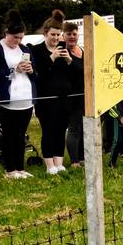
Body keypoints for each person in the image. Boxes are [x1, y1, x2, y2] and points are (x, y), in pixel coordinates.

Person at [0, 10, 36, 179]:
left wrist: (31, 70)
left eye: (20, 38)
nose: (17, 41)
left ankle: (20, 167)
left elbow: (35, 74)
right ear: (6, 33)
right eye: (15, 37)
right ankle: (10, 170)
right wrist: (13, 70)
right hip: (8, 101)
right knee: (9, 136)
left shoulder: (25, 49)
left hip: (25, 100)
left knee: (20, 136)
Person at [29, 11, 73, 175]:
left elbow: (70, 74)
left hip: (63, 98)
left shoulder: (63, 48)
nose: (55, 38)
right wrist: (51, 58)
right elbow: (38, 74)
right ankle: (49, 165)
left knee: (60, 130)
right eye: (52, 34)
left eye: (58, 34)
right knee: (48, 130)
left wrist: (69, 61)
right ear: (45, 33)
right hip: (46, 99)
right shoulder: (37, 50)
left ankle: (59, 162)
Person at [62, 21, 85, 168]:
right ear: (63, 36)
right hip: (71, 96)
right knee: (74, 128)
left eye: (74, 34)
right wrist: (70, 62)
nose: (72, 37)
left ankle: (82, 157)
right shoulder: (63, 52)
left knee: (84, 127)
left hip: (85, 95)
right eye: (69, 34)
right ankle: (74, 161)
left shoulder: (82, 50)